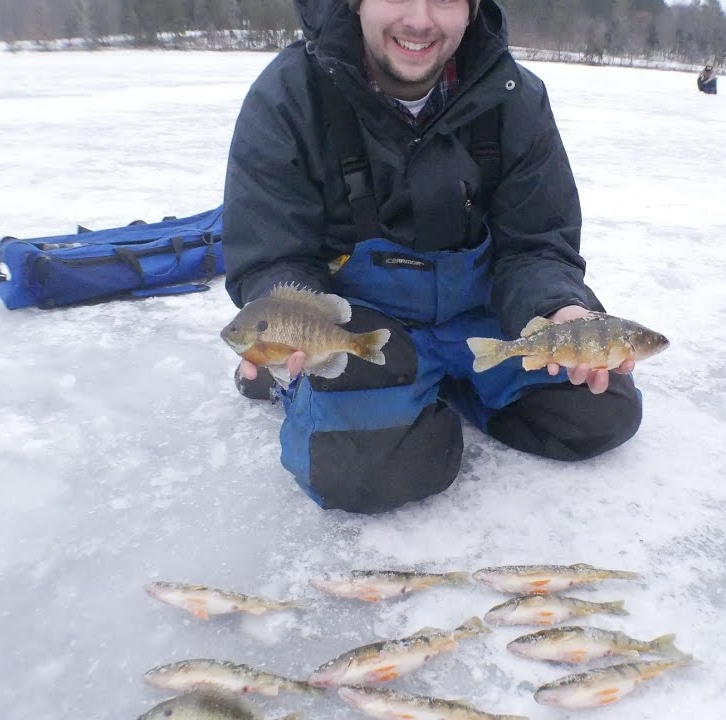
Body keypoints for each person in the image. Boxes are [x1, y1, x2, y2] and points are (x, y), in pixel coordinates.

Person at [221, 0, 644, 514]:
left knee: (596, 413)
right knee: (366, 474)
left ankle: (452, 380)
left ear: (471, 9)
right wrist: (294, 326)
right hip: (365, 325)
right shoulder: (288, 95)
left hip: (484, 309)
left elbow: (536, 241)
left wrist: (558, 308)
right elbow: (272, 252)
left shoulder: (516, 95)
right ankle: (285, 380)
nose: (420, 20)